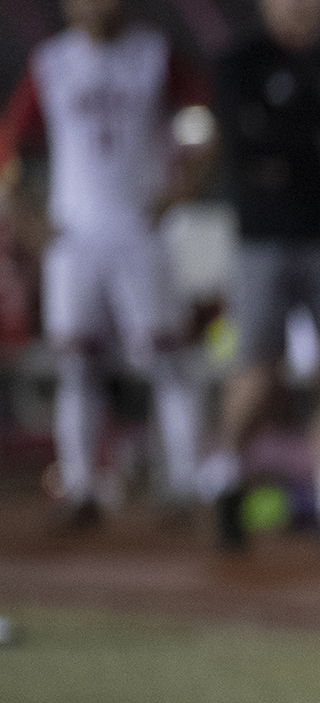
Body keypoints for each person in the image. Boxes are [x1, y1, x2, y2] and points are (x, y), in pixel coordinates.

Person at [0, 0, 215, 530]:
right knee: (78, 362)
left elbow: (201, 122)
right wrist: (26, 217)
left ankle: (185, 482)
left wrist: (182, 185)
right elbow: (9, 147)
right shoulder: (52, 63)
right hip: (75, 234)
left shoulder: (153, 55)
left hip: (141, 230)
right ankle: (80, 484)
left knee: (166, 358)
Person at [199, 0, 320, 551]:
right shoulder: (239, 64)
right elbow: (245, 145)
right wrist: (314, 144)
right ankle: (226, 477)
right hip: (262, 243)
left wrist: (288, 149)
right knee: (256, 372)